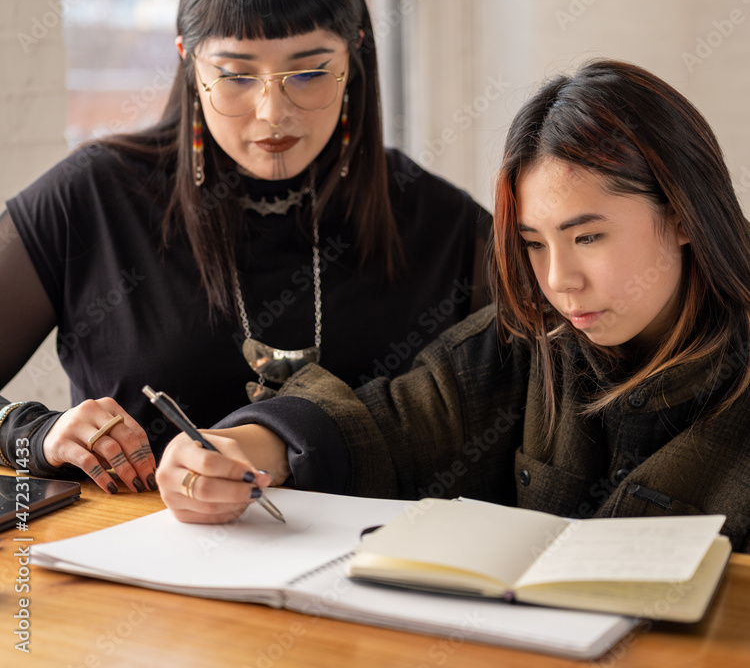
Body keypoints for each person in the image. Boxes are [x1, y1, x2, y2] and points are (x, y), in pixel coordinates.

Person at [156, 59, 750, 554]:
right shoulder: (532, 338)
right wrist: (250, 448)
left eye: (588, 237)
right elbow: (391, 424)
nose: (558, 281)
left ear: (681, 216)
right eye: (534, 244)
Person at [0, 0, 491, 495]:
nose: (272, 113)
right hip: (143, 569)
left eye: (308, 72)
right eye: (235, 76)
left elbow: (542, 391)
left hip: (377, 569)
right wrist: (32, 433)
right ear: (189, 63)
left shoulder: (437, 219)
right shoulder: (93, 198)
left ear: (353, 56)